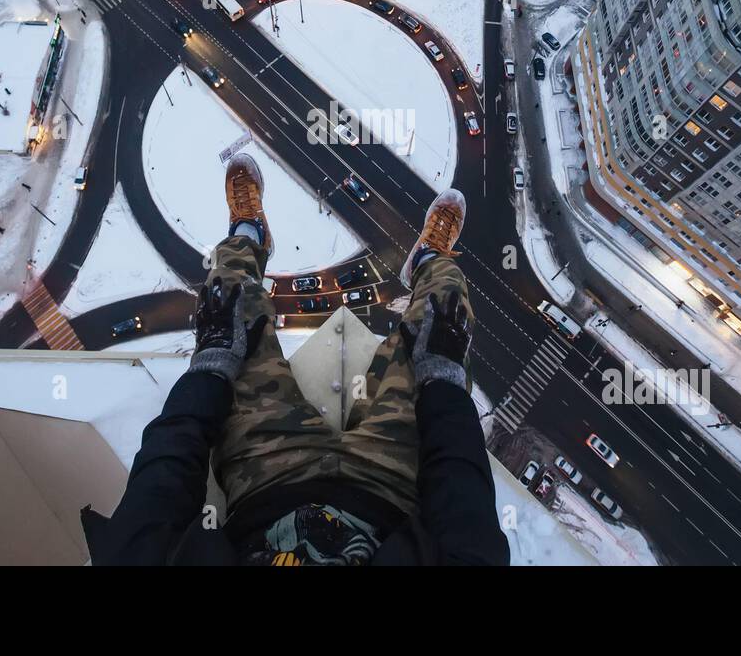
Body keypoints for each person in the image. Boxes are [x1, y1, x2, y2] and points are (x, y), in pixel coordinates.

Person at [82, 154, 508, 566]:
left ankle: (248, 234)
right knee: (445, 312)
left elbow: (155, 499)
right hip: (389, 488)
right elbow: (470, 527)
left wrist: (209, 367)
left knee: (226, 300)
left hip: (265, 476)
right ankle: (430, 262)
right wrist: (444, 379)